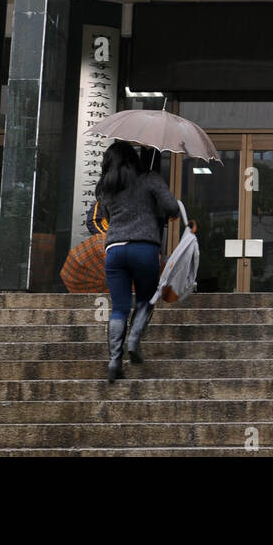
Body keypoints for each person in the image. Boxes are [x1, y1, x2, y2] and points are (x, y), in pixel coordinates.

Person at [86, 141, 179, 383]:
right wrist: (153, 201)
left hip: (115, 250)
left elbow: (107, 216)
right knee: (147, 298)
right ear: (134, 159)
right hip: (144, 247)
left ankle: (115, 360)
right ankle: (135, 340)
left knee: (119, 307)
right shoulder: (149, 178)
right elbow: (172, 208)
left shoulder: (106, 187)